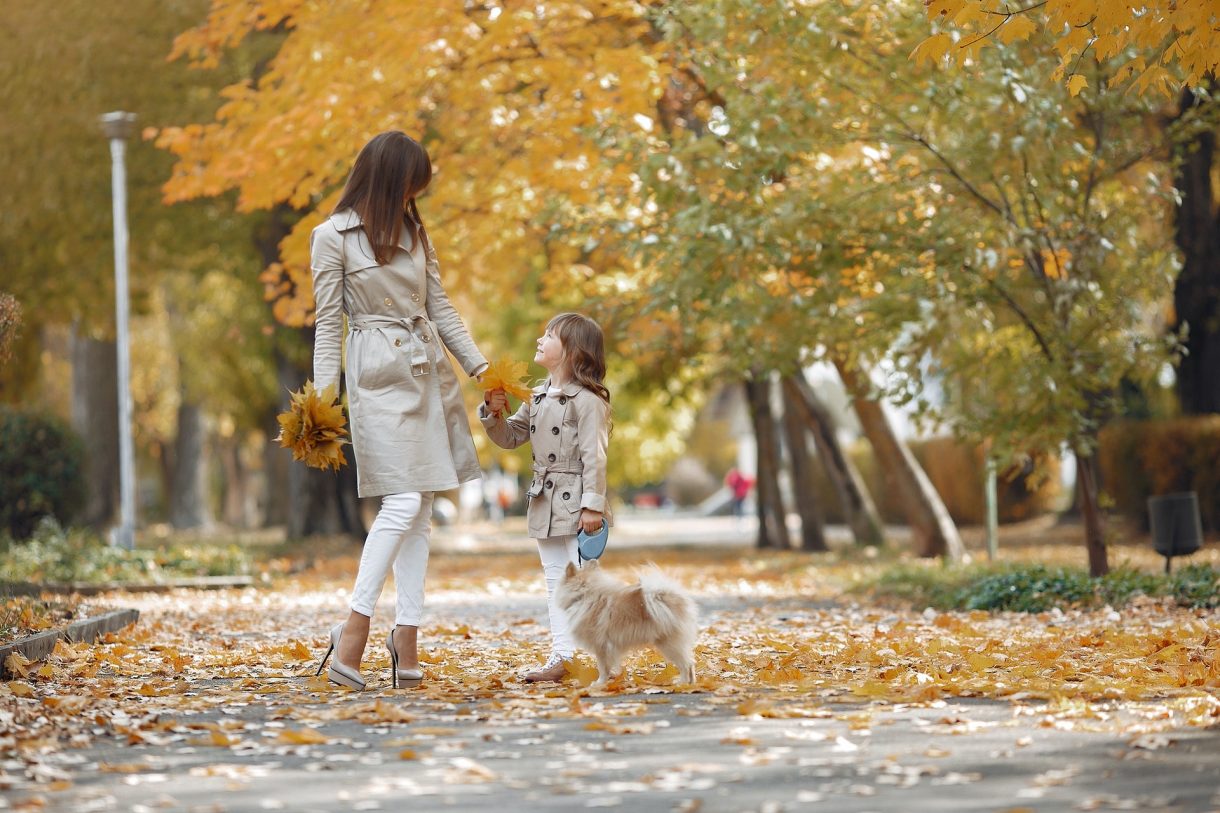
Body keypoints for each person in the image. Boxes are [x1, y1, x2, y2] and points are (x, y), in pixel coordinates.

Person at [311, 131, 488, 690]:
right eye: (411, 185)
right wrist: (321, 402)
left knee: (423, 506)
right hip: (376, 379)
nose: (417, 195)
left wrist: (483, 371)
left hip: (424, 371)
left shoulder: (416, 232)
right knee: (404, 499)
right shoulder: (331, 237)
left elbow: (441, 308)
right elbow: (327, 326)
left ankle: (406, 635)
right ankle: (356, 627)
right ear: (390, 180)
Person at [480, 313, 611, 683]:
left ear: (571, 351)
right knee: (555, 583)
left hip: (576, 503)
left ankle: (600, 656)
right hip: (545, 500)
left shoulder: (587, 402)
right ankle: (562, 656)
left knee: (585, 585)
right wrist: (493, 414)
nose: (540, 340)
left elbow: (594, 457)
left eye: (549, 335)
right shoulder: (536, 396)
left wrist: (592, 505)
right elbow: (511, 437)